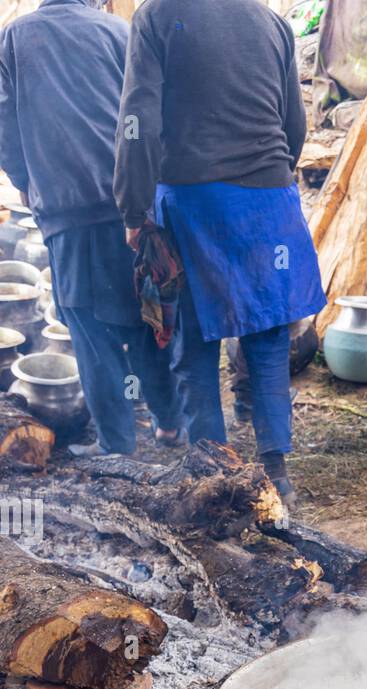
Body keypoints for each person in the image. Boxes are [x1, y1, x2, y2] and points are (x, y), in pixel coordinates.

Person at [114, 0, 326, 504]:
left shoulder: (156, 15)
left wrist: (132, 208)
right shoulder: (271, 21)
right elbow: (294, 125)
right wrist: (267, 177)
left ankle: (215, 472)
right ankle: (276, 473)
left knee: (194, 339)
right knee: (267, 332)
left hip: (194, 199)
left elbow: (137, 121)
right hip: (268, 201)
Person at [0, 0, 183, 458]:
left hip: (68, 211)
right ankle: (168, 423)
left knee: (90, 330)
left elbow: (4, 124)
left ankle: (118, 444)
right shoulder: (117, 32)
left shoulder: (17, 37)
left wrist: (24, 181)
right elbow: (150, 111)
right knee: (143, 317)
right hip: (128, 207)